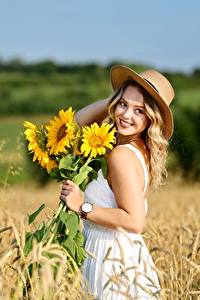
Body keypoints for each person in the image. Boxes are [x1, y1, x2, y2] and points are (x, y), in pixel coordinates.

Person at [59, 65, 175, 299]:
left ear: (152, 118)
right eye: (123, 104)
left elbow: (134, 221)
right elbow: (76, 124)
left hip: (112, 261)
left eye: (139, 111)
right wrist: (116, 98)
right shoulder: (138, 149)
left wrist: (82, 207)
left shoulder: (121, 155)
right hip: (119, 255)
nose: (126, 115)